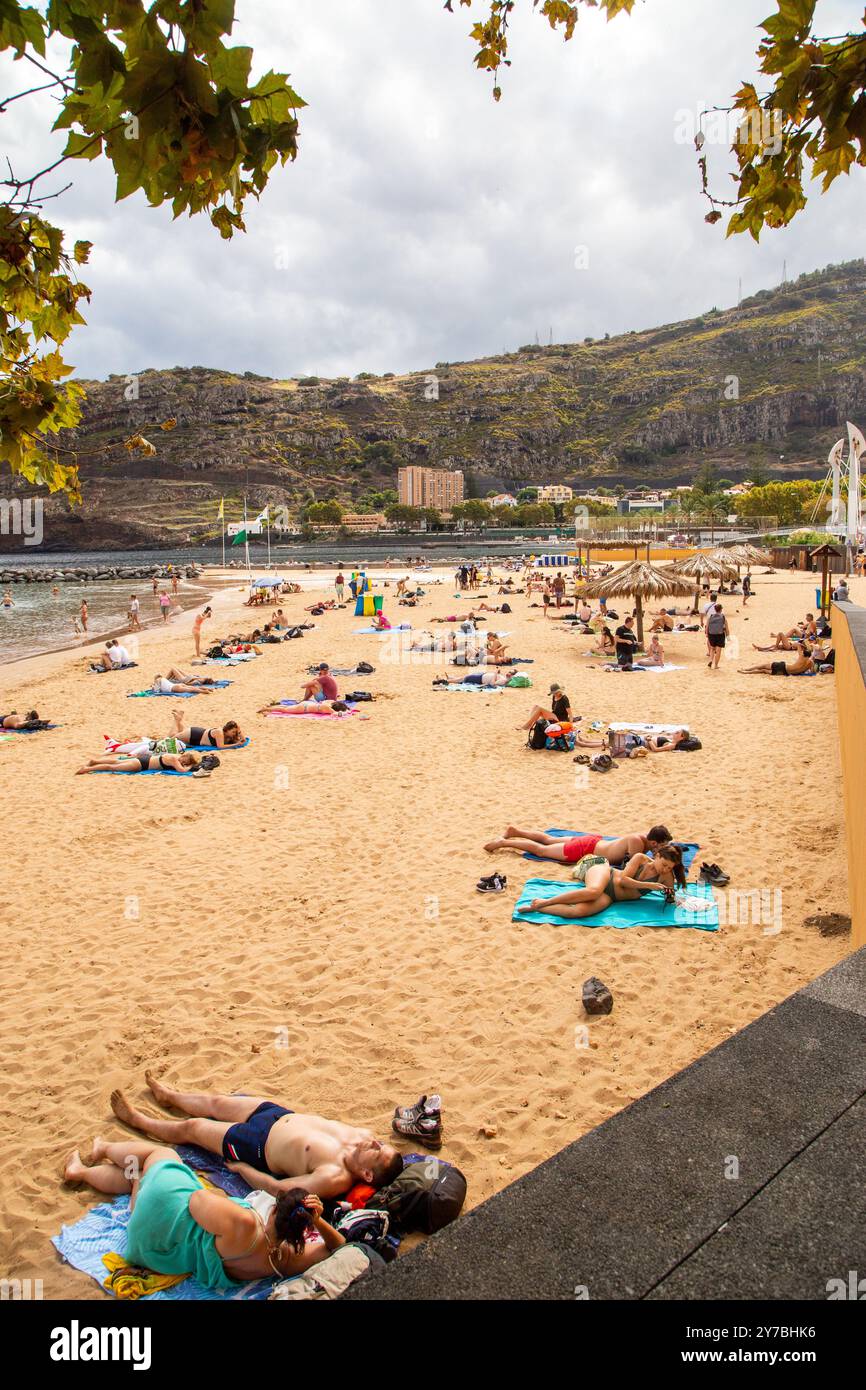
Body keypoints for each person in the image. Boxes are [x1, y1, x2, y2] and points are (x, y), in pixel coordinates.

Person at [64, 1138, 347, 1288]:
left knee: (160, 1156)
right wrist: (319, 1221)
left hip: (163, 1225)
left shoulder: (247, 1225)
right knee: (136, 1177)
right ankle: (84, 1172)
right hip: (153, 1251)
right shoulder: (284, 1261)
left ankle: (103, 1148)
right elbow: (338, 1247)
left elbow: (196, 1201)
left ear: (274, 1208)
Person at [108, 1075, 403, 1198]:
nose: (374, 1142)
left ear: (366, 1174)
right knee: (217, 1103)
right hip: (276, 1114)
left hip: (256, 1145)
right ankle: (170, 1096)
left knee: (193, 1129)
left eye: (377, 1152)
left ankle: (138, 1120)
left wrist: (244, 1170)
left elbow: (280, 1188)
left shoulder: (335, 1176)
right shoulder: (361, 1136)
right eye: (380, 1143)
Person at [524, 845, 687, 921]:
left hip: (612, 897)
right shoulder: (640, 858)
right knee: (593, 891)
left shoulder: (666, 877)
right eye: (664, 865)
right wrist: (650, 886)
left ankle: (539, 907)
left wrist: (670, 896)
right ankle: (548, 901)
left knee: (579, 912)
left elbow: (670, 897)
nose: (665, 870)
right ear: (657, 856)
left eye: (669, 868)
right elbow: (623, 880)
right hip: (604, 873)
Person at [484, 824, 674, 864]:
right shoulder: (636, 842)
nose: (662, 849)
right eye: (661, 846)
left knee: (549, 840)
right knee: (542, 850)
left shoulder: (643, 839)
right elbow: (632, 865)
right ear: (653, 842)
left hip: (593, 842)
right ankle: (502, 842)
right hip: (586, 849)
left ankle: (515, 831)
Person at [76, 751, 201, 774]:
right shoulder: (175, 760)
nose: (184, 763)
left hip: (144, 760)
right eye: (186, 761)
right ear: (186, 757)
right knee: (112, 766)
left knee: (116, 760)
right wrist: (190, 766)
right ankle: (87, 769)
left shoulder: (176, 756)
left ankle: (94, 761)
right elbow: (182, 770)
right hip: (141, 765)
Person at [171, 712, 244, 748]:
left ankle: (179, 720)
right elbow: (220, 746)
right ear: (227, 730)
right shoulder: (219, 732)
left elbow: (243, 740)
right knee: (171, 738)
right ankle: (176, 720)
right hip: (194, 735)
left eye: (235, 732)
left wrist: (239, 731)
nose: (234, 734)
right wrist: (236, 744)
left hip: (197, 739)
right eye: (233, 732)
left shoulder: (230, 736)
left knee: (179, 733)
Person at [739, 652, 817, 676]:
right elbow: (812, 672)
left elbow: (799, 646)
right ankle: (747, 672)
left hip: (783, 666)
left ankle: (746, 670)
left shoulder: (801, 657)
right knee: (763, 671)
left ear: (804, 655)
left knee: (763, 665)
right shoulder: (811, 663)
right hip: (784, 673)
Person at [705, 602, 729, 670]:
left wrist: (707, 634)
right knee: (718, 650)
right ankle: (715, 665)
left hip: (711, 634)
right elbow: (727, 628)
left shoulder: (711, 617)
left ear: (715, 610)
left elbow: (707, 626)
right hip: (720, 635)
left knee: (712, 649)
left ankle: (711, 660)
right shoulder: (723, 617)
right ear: (721, 610)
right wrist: (728, 636)